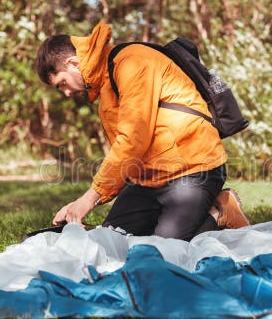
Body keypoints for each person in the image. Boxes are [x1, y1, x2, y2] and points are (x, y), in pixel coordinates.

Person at [34, 21, 249, 241]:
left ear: (72, 63)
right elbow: (125, 156)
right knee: (115, 238)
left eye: (62, 84)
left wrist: (88, 199)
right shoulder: (106, 85)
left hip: (193, 167)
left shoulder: (131, 63)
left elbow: (132, 141)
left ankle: (221, 211)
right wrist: (80, 204)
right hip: (149, 178)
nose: (67, 93)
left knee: (165, 250)